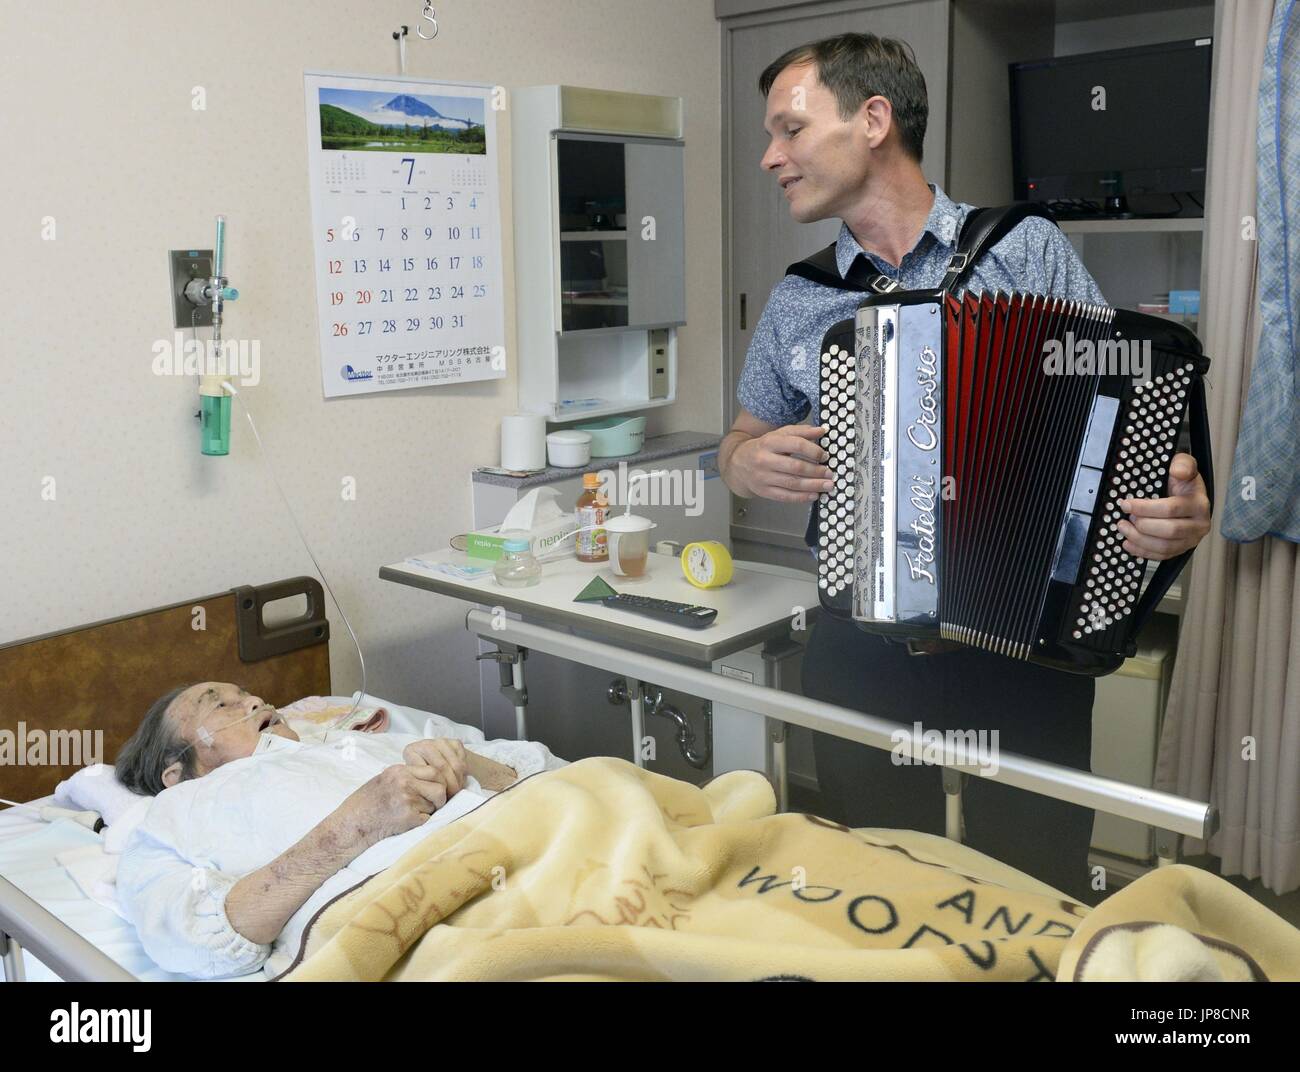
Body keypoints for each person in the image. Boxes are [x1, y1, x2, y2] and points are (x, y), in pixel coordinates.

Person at [718, 33, 1212, 902]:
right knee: (874, 885)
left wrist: (1178, 506)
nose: (771, 156)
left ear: (874, 120)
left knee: (1036, 880)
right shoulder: (804, 298)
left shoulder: (1023, 249)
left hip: (1024, 649)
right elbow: (736, 444)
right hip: (861, 646)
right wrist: (748, 464)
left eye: (789, 129)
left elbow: (1121, 398)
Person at [114, 682, 563, 978]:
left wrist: (465, 763)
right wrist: (357, 825)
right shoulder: (174, 813)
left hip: (541, 848)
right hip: (437, 913)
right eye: (220, 705)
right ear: (174, 772)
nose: (253, 702)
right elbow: (191, 939)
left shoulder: (348, 744)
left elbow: (543, 778)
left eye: (246, 693)